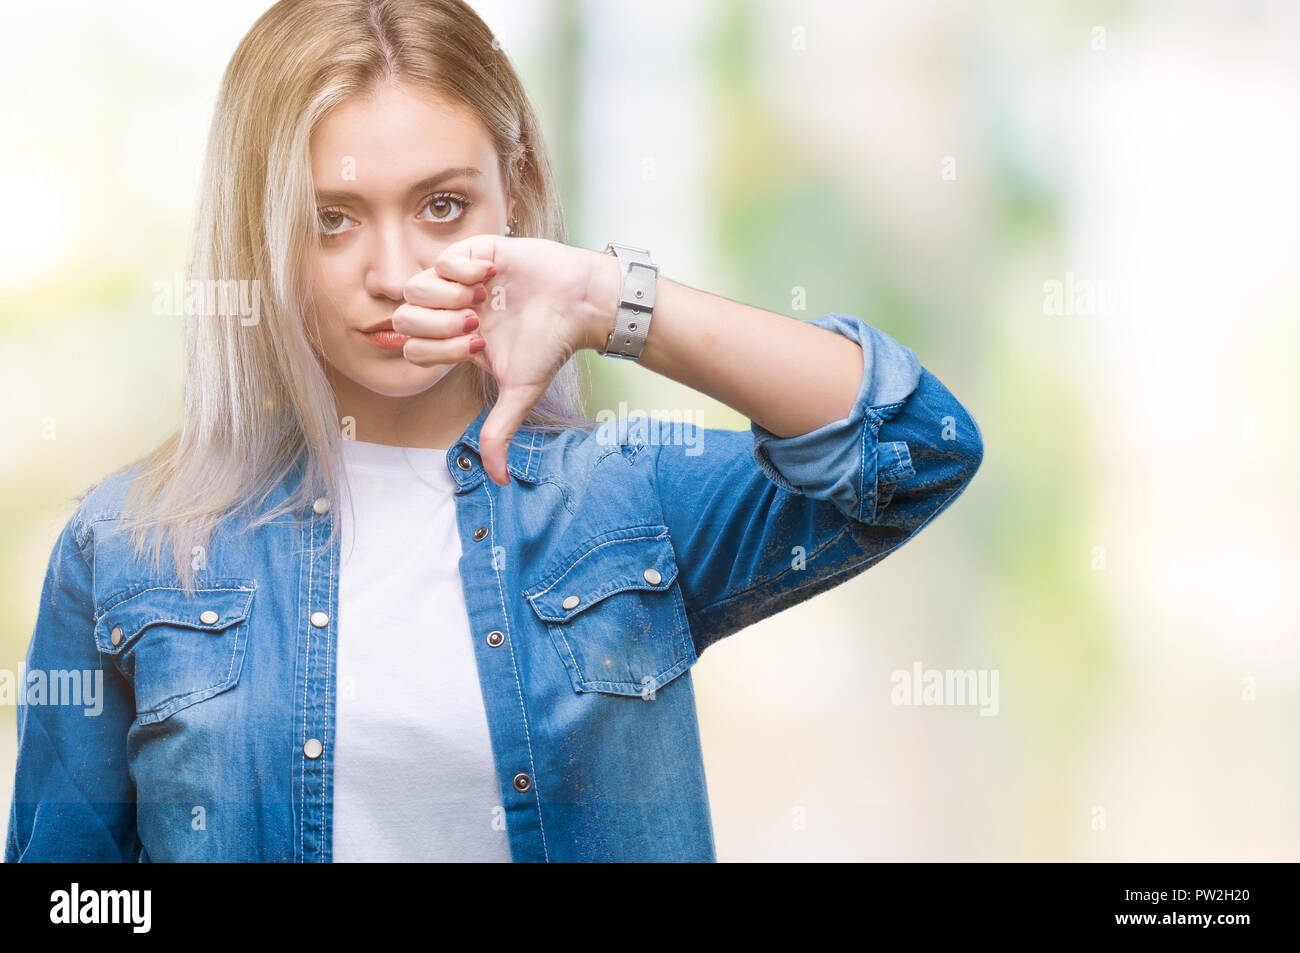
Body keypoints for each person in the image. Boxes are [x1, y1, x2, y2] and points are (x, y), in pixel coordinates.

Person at [4, 0, 983, 863]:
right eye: (332, 218)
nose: (393, 269)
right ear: (259, 225)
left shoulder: (624, 501)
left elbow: (918, 447)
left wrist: (608, 297)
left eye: (442, 205)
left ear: (510, 189)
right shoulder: (126, 547)